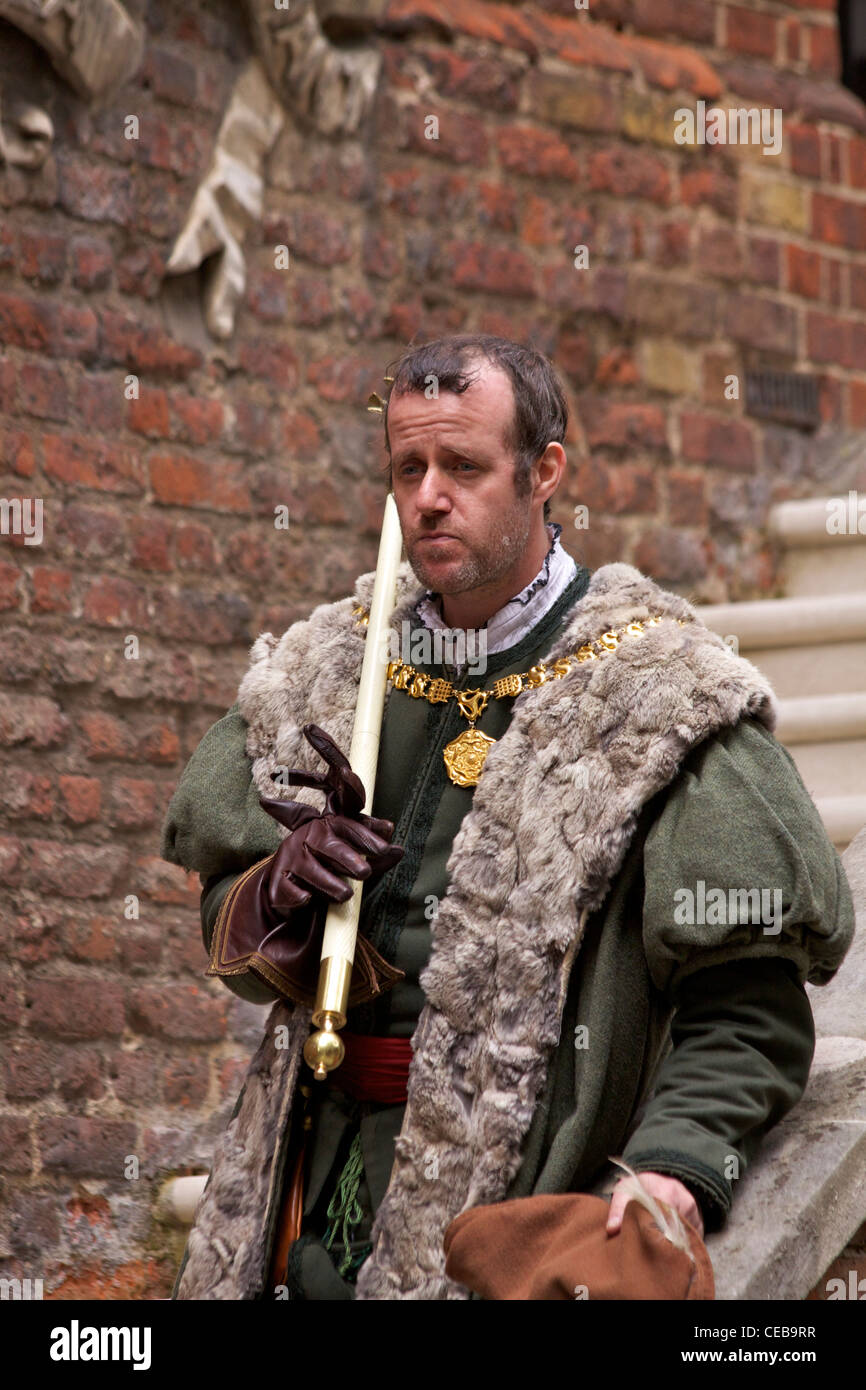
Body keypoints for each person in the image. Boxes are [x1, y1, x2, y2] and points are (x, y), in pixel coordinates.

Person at [161, 333, 854, 1301]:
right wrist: (278, 890)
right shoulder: (328, 668)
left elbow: (747, 1006)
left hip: (518, 1206)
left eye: (463, 465)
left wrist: (675, 1166)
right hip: (307, 1189)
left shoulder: (656, 692)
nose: (427, 496)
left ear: (544, 474)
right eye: (408, 467)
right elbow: (227, 927)